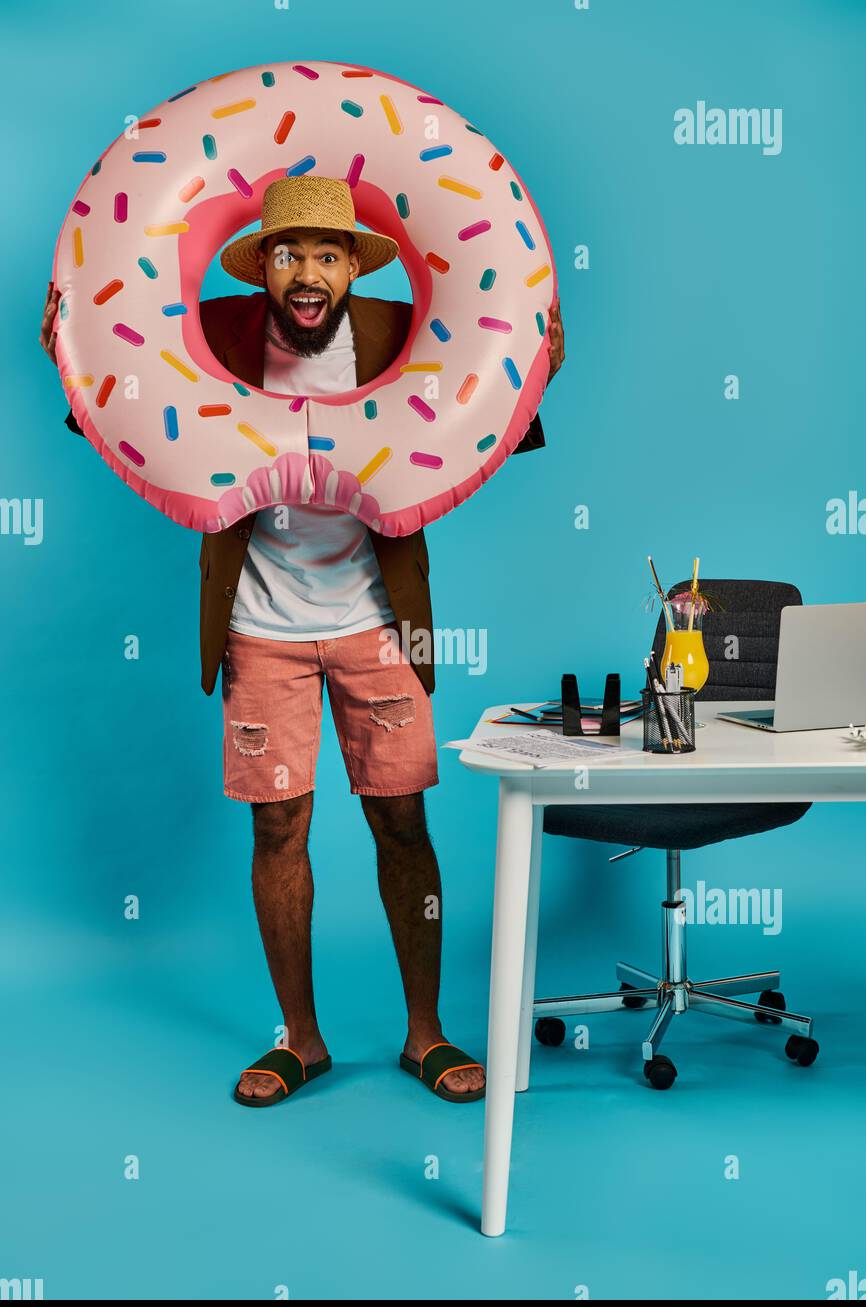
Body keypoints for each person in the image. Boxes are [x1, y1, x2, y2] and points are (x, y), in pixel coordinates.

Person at [41, 174, 565, 1107]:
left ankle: (427, 1036)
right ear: (266, 268)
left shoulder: (403, 333)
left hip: (374, 619)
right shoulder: (218, 333)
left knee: (400, 820)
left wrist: (532, 379)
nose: (309, 272)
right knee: (278, 827)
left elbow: (475, 426)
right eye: (289, 255)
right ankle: (302, 1041)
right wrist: (73, 373)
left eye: (328, 254)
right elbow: (132, 408)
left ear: (354, 266)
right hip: (260, 625)